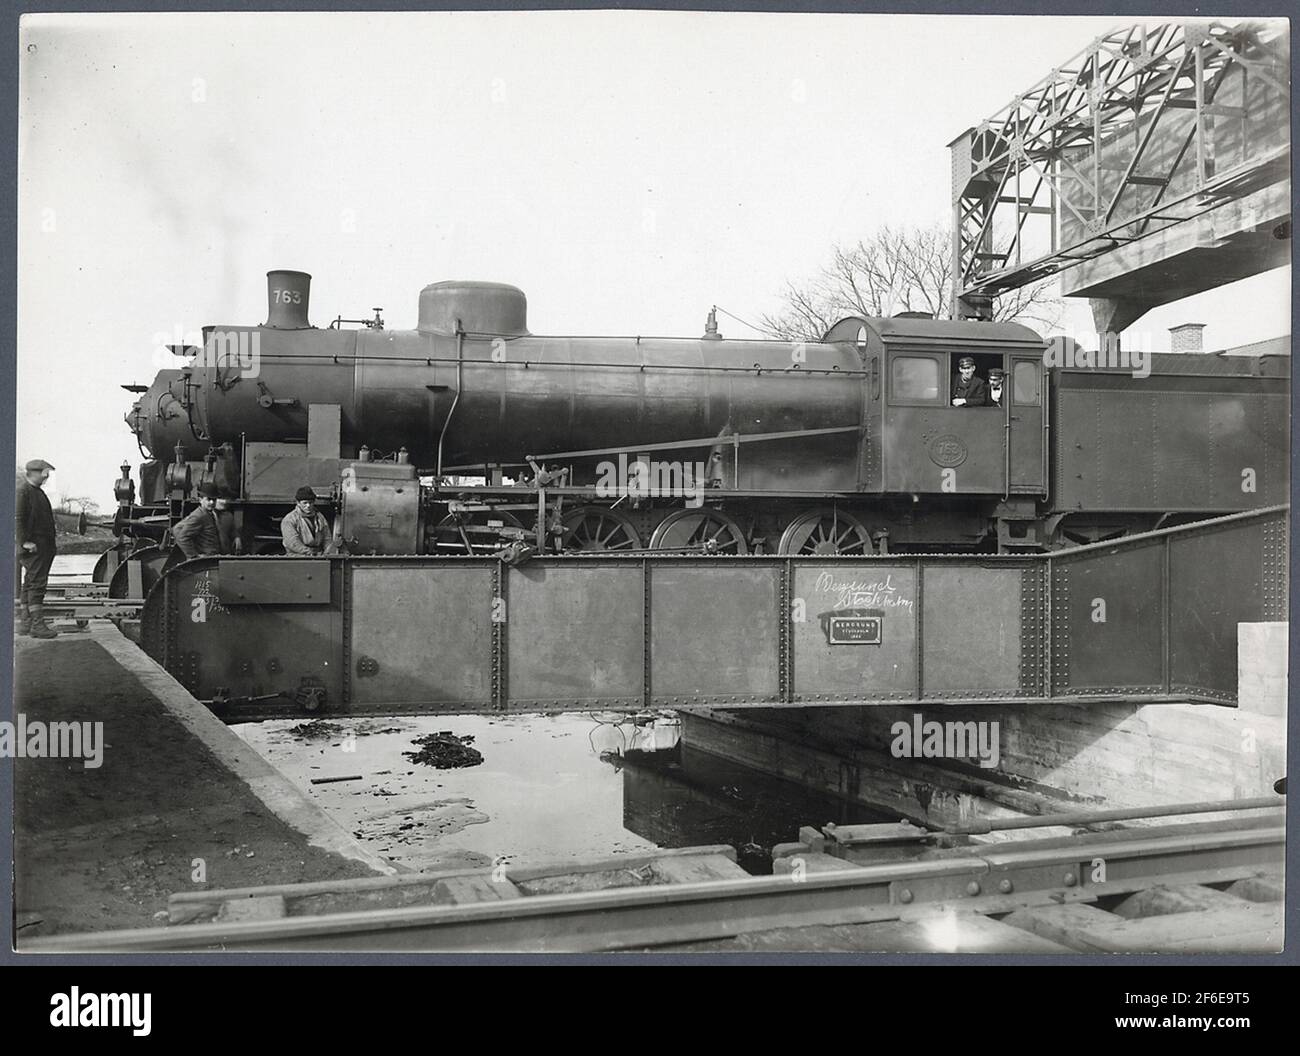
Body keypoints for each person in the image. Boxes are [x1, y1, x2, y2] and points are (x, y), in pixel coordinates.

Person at [16, 458, 58, 638]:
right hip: (34, 546)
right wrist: (24, 542)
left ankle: (26, 622)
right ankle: (37, 625)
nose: (47, 475)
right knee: (37, 585)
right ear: (38, 472)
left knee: (30, 583)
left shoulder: (36, 491)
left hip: (42, 546)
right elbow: (17, 518)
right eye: (46, 472)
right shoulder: (23, 491)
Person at [172, 482, 227, 559]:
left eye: (214, 500)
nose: (212, 502)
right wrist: (194, 556)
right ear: (200, 500)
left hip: (213, 557)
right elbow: (182, 537)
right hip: (207, 560)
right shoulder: (199, 515)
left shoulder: (210, 513)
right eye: (208, 499)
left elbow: (177, 528)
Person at [281, 486, 333, 555]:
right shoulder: (289, 519)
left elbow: (327, 537)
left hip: (318, 555)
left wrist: (327, 552)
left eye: (310, 502)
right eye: (305, 503)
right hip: (296, 556)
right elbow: (292, 542)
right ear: (298, 503)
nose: (308, 505)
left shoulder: (320, 517)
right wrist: (310, 552)